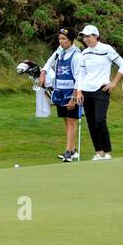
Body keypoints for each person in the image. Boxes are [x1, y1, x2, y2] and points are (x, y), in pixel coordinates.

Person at [73, 25, 123, 160]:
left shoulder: (106, 49)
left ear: (96, 36)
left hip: (101, 90)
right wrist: (79, 91)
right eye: (84, 37)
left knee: (100, 120)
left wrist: (114, 83)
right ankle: (99, 152)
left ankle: (107, 151)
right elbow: (81, 74)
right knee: (91, 123)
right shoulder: (85, 53)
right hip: (86, 91)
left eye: (88, 36)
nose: (86, 39)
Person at [38, 28, 84, 162]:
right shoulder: (60, 51)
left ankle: (68, 152)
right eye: (59, 38)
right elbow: (49, 61)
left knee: (71, 121)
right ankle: (73, 150)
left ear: (71, 40)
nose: (61, 41)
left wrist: (73, 98)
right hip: (60, 92)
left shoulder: (77, 55)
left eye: (64, 39)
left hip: (71, 92)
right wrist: (43, 73)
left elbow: (79, 78)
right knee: (66, 120)